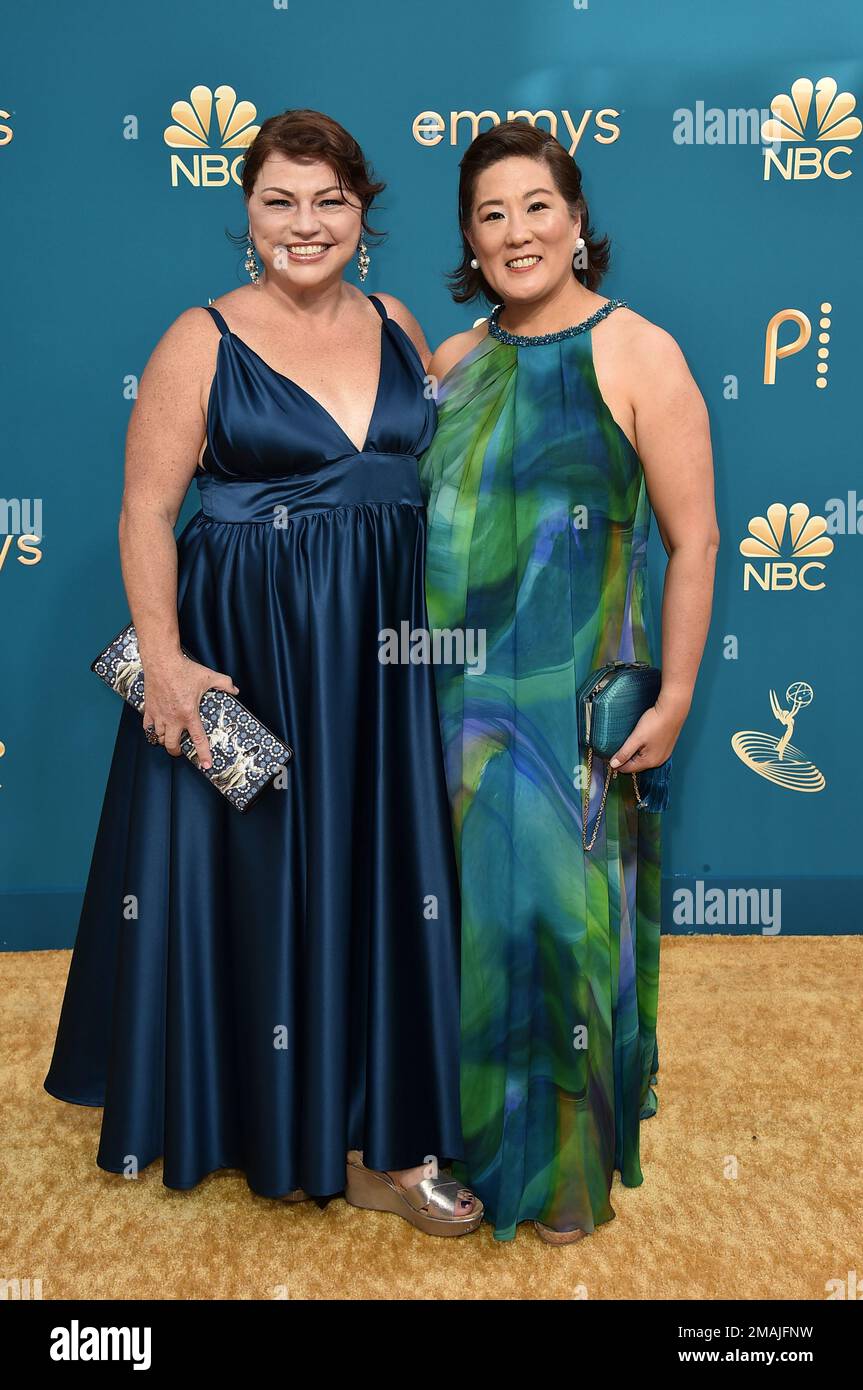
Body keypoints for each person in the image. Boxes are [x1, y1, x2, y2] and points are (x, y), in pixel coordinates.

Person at [43, 108, 482, 1238]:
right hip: (248, 645)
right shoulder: (200, 337)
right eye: (280, 200)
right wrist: (172, 666)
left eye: (328, 200)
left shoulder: (396, 321)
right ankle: (262, 1112)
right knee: (258, 868)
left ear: (361, 213)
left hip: (379, 648)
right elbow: (146, 510)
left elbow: (437, 454)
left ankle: (384, 1131)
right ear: (247, 210)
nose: (305, 223)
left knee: (375, 867)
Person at [418, 120, 718, 1242]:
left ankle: (561, 1172)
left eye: (535, 205)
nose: (516, 231)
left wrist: (676, 695)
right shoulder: (451, 364)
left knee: (557, 925)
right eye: (490, 213)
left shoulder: (638, 352)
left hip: (574, 708)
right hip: (447, 707)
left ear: (577, 219)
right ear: (468, 236)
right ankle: (463, 1148)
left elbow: (692, 541)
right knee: (465, 936)